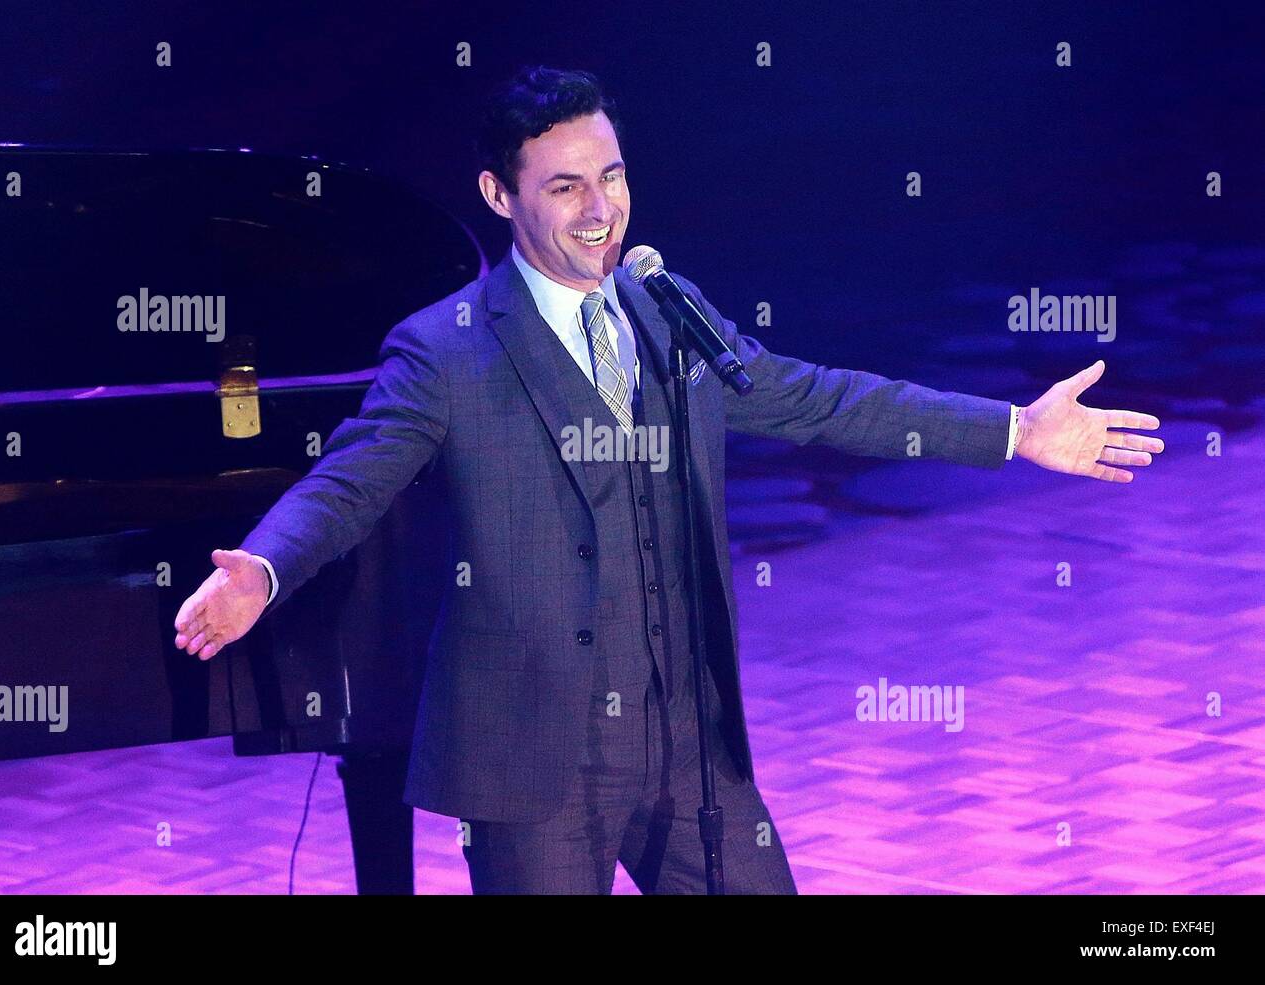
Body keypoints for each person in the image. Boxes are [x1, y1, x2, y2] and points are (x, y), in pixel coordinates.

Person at [173, 66, 1163, 894]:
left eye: (610, 176)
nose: (600, 210)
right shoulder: (448, 351)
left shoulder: (663, 308)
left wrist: (1013, 429)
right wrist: (262, 569)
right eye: (565, 188)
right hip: (535, 760)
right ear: (498, 195)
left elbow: (816, 397)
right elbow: (350, 482)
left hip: (692, 741)